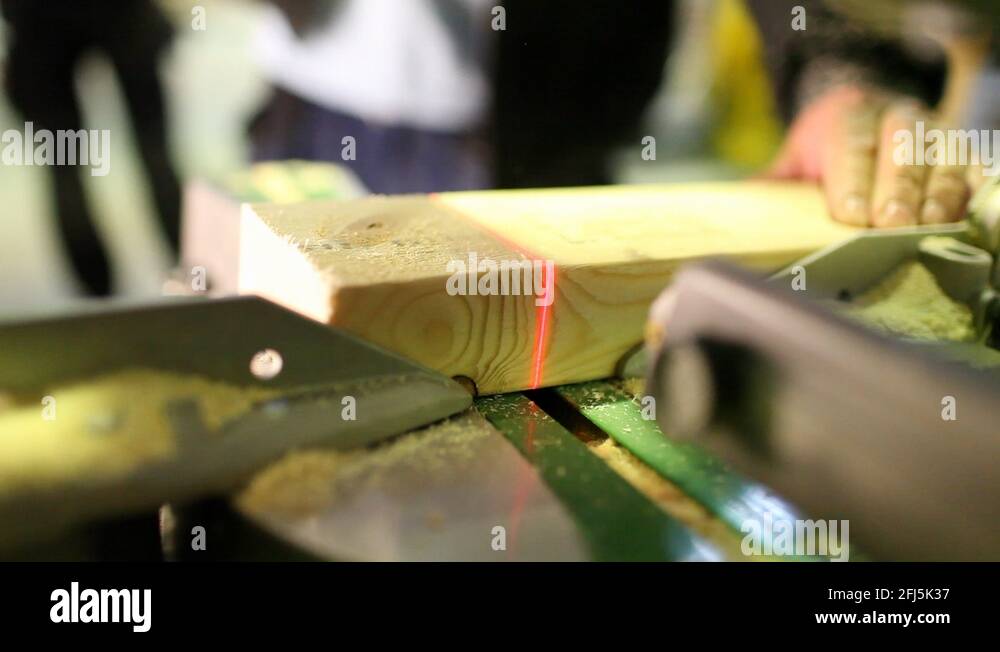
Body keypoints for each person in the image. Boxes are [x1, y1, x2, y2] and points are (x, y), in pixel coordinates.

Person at [2, 0, 182, 296]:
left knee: (67, 168)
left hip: (43, 21)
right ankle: (191, 279)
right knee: (150, 155)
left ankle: (102, 304)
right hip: (67, 21)